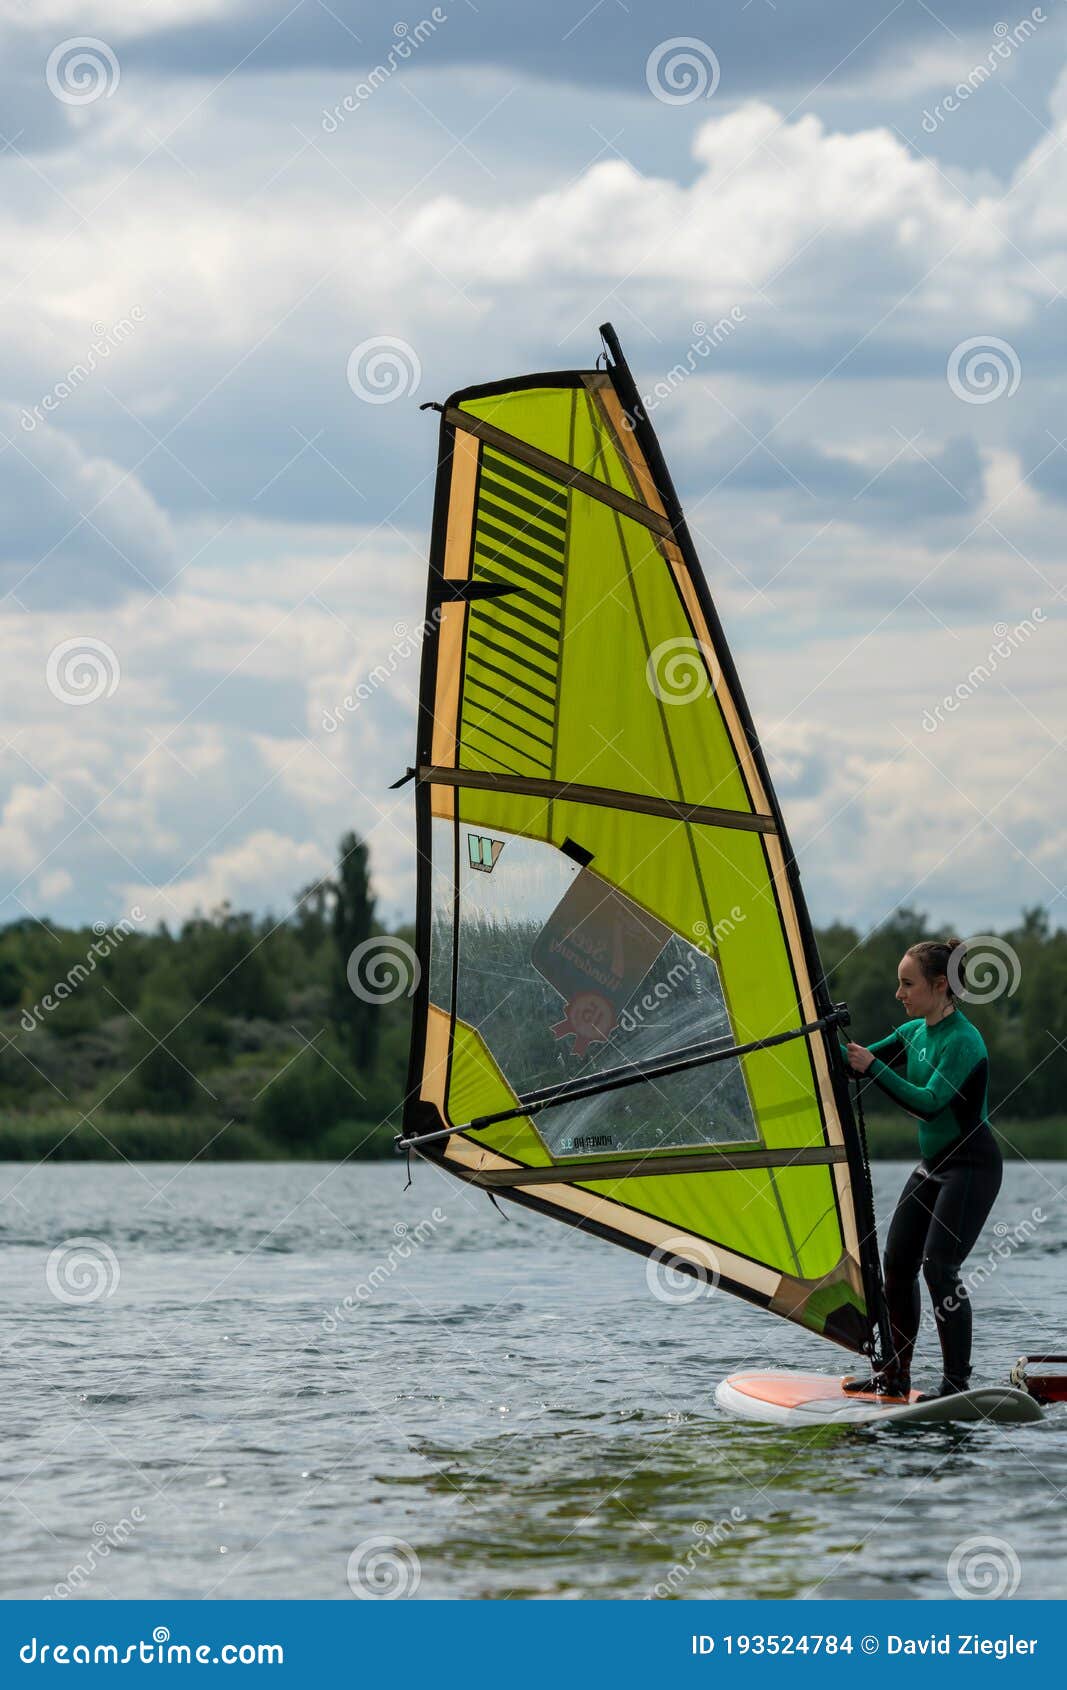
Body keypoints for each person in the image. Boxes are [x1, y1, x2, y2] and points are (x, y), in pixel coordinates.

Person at [840, 939, 1002, 1401]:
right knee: (896, 1266)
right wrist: (822, 1027)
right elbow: (852, 1062)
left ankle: (956, 1384)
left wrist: (871, 1067)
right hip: (932, 1168)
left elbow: (930, 1104)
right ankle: (895, 1375)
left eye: (907, 984)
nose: (899, 994)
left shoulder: (964, 1042)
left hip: (971, 1168)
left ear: (939, 985)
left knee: (940, 1269)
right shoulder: (914, 1033)